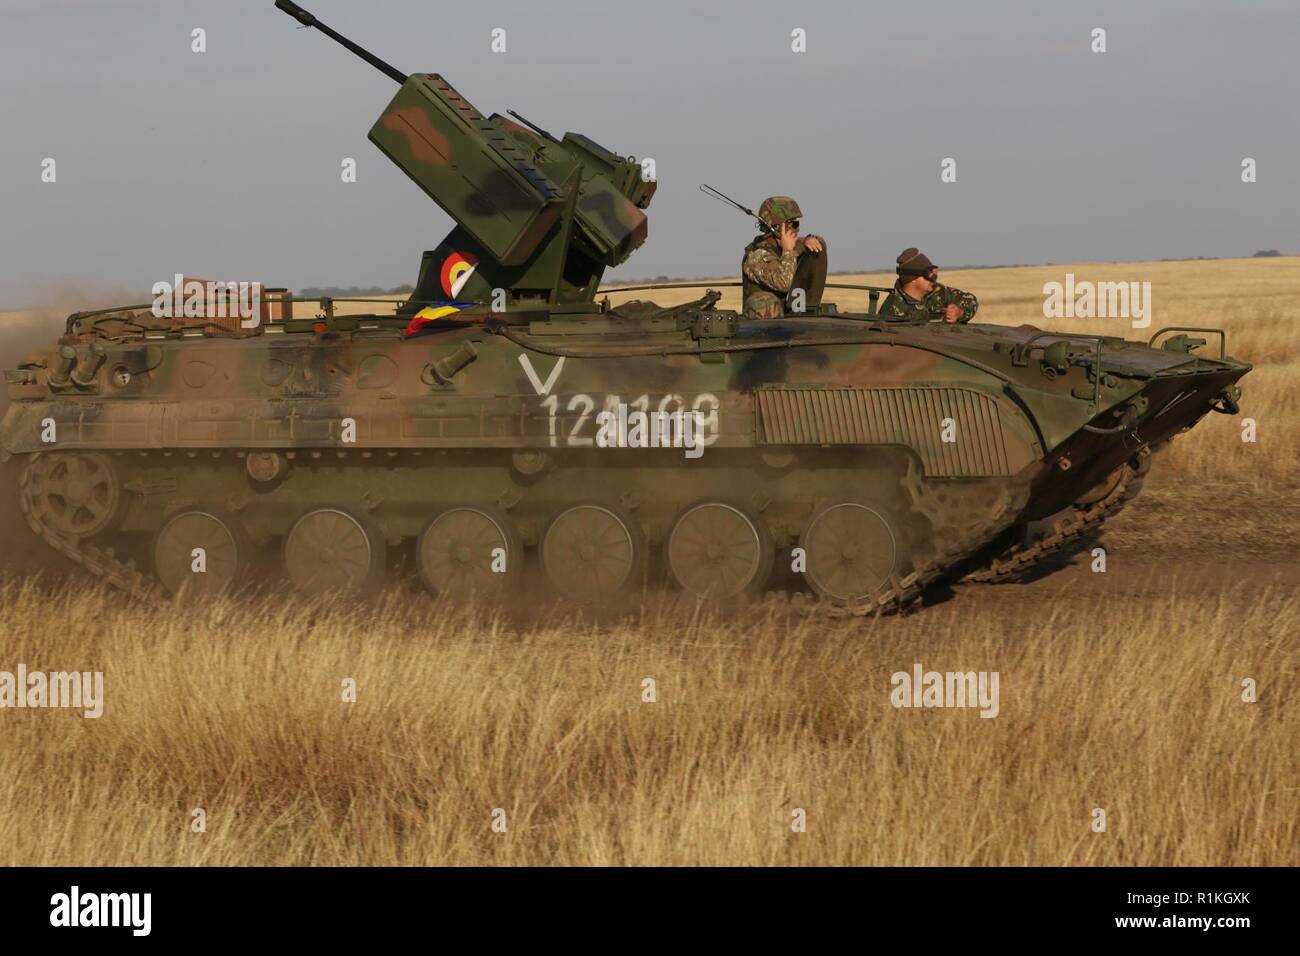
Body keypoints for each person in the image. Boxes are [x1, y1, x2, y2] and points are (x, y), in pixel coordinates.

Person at [740, 196, 828, 319]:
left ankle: (807, 312)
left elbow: (817, 242)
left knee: (817, 247)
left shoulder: (785, 247)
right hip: (763, 326)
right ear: (776, 228)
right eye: (794, 224)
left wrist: (808, 239)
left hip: (787, 321)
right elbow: (783, 283)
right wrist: (788, 252)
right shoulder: (756, 257)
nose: (797, 228)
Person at [878, 247, 978, 323]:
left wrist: (960, 313)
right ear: (913, 279)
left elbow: (970, 300)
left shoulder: (938, 291)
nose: (933, 278)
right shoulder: (891, 310)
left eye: (933, 272)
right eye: (927, 274)